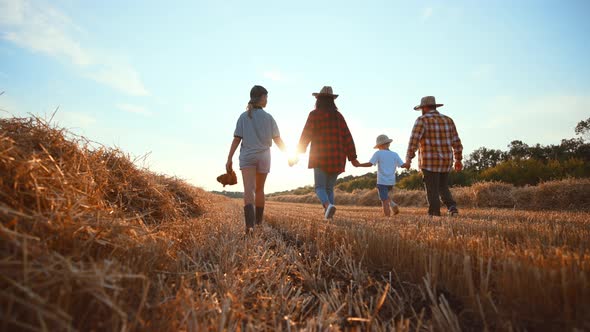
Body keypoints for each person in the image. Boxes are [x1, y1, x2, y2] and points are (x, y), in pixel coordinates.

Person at [292, 86, 360, 219]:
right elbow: (347, 137)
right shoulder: (338, 116)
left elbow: (306, 135)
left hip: (320, 156)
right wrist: (353, 158)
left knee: (319, 188)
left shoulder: (314, 114)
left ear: (318, 100)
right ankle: (330, 216)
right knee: (329, 188)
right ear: (332, 101)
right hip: (337, 157)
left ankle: (328, 206)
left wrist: (298, 151)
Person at [226, 85, 287, 233]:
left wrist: (229, 158)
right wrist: (289, 155)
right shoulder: (269, 118)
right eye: (265, 97)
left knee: (249, 190)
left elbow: (236, 139)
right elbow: (278, 139)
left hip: (248, 156)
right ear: (260, 98)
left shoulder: (243, 116)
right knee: (260, 190)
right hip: (264, 156)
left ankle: (250, 226)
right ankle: (258, 224)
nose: (267, 100)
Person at [403, 96, 463, 216]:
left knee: (432, 189)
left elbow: (414, 141)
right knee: (443, 187)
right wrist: (458, 159)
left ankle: (435, 213)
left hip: (429, 161)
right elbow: (456, 141)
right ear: (434, 106)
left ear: (424, 107)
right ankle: (452, 207)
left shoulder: (422, 120)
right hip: (446, 161)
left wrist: (409, 158)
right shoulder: (448, 120)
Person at [355, 134, 407, 217]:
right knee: (386, 196)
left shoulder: (378, 153)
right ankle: (393, 204)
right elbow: (403, 165)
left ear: (379, 145)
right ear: (388, 144)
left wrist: (359, 165)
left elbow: (370, 164)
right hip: (391, 181)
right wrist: (408, 164)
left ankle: (387, 217)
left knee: (384, 200)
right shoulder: (395, 154)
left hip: (382, 181)